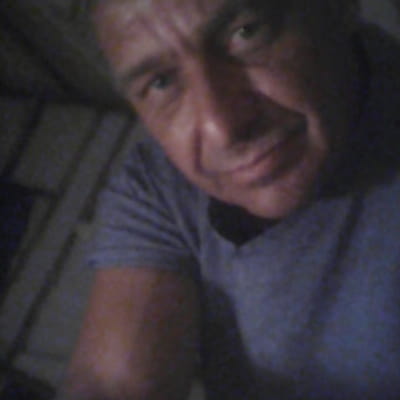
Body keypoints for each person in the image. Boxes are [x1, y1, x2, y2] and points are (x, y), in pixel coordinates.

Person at [64, 0, 400, 398]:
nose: (221, 127)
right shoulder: (159, 183)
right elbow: (111, 387)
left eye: (246, 33)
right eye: (161, 83)